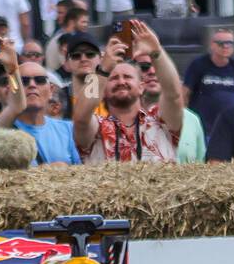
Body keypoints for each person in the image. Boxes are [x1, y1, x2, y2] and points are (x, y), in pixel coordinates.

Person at [73, 20, 185, 163]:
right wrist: (103, 70)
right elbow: (80, 117)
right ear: (103, 91)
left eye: (127, 77)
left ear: (141, 86)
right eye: (113, 78)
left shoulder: (161, 123)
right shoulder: (96, 129)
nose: (121, 82)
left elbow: (173, 94)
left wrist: (156, 52)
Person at [0, 57, 82, 165]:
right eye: (24, 81)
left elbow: (80, 172)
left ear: (51, 90)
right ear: (12, 90)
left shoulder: (68, 129)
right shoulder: (1, 128)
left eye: (40, 80)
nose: (32, 85)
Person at [133, 47, 206, 162]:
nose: (152, 71)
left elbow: (201, 166)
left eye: (157, 67)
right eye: (144, 67)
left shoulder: (192, 120)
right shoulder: (123, 120)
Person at [182, 29, 234, 136]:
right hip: (203, 129)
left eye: (229, 43)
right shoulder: (198, 64)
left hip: (230, 129)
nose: (225, 46)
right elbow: (184, 94)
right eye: (221, 43)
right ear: (212, 45)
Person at [46, 3, 88, 70]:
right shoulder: (64, 39)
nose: (86, 25)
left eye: (86, 22)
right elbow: (68, 67)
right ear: (72, 22)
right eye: (83, 22)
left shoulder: (68, 36)